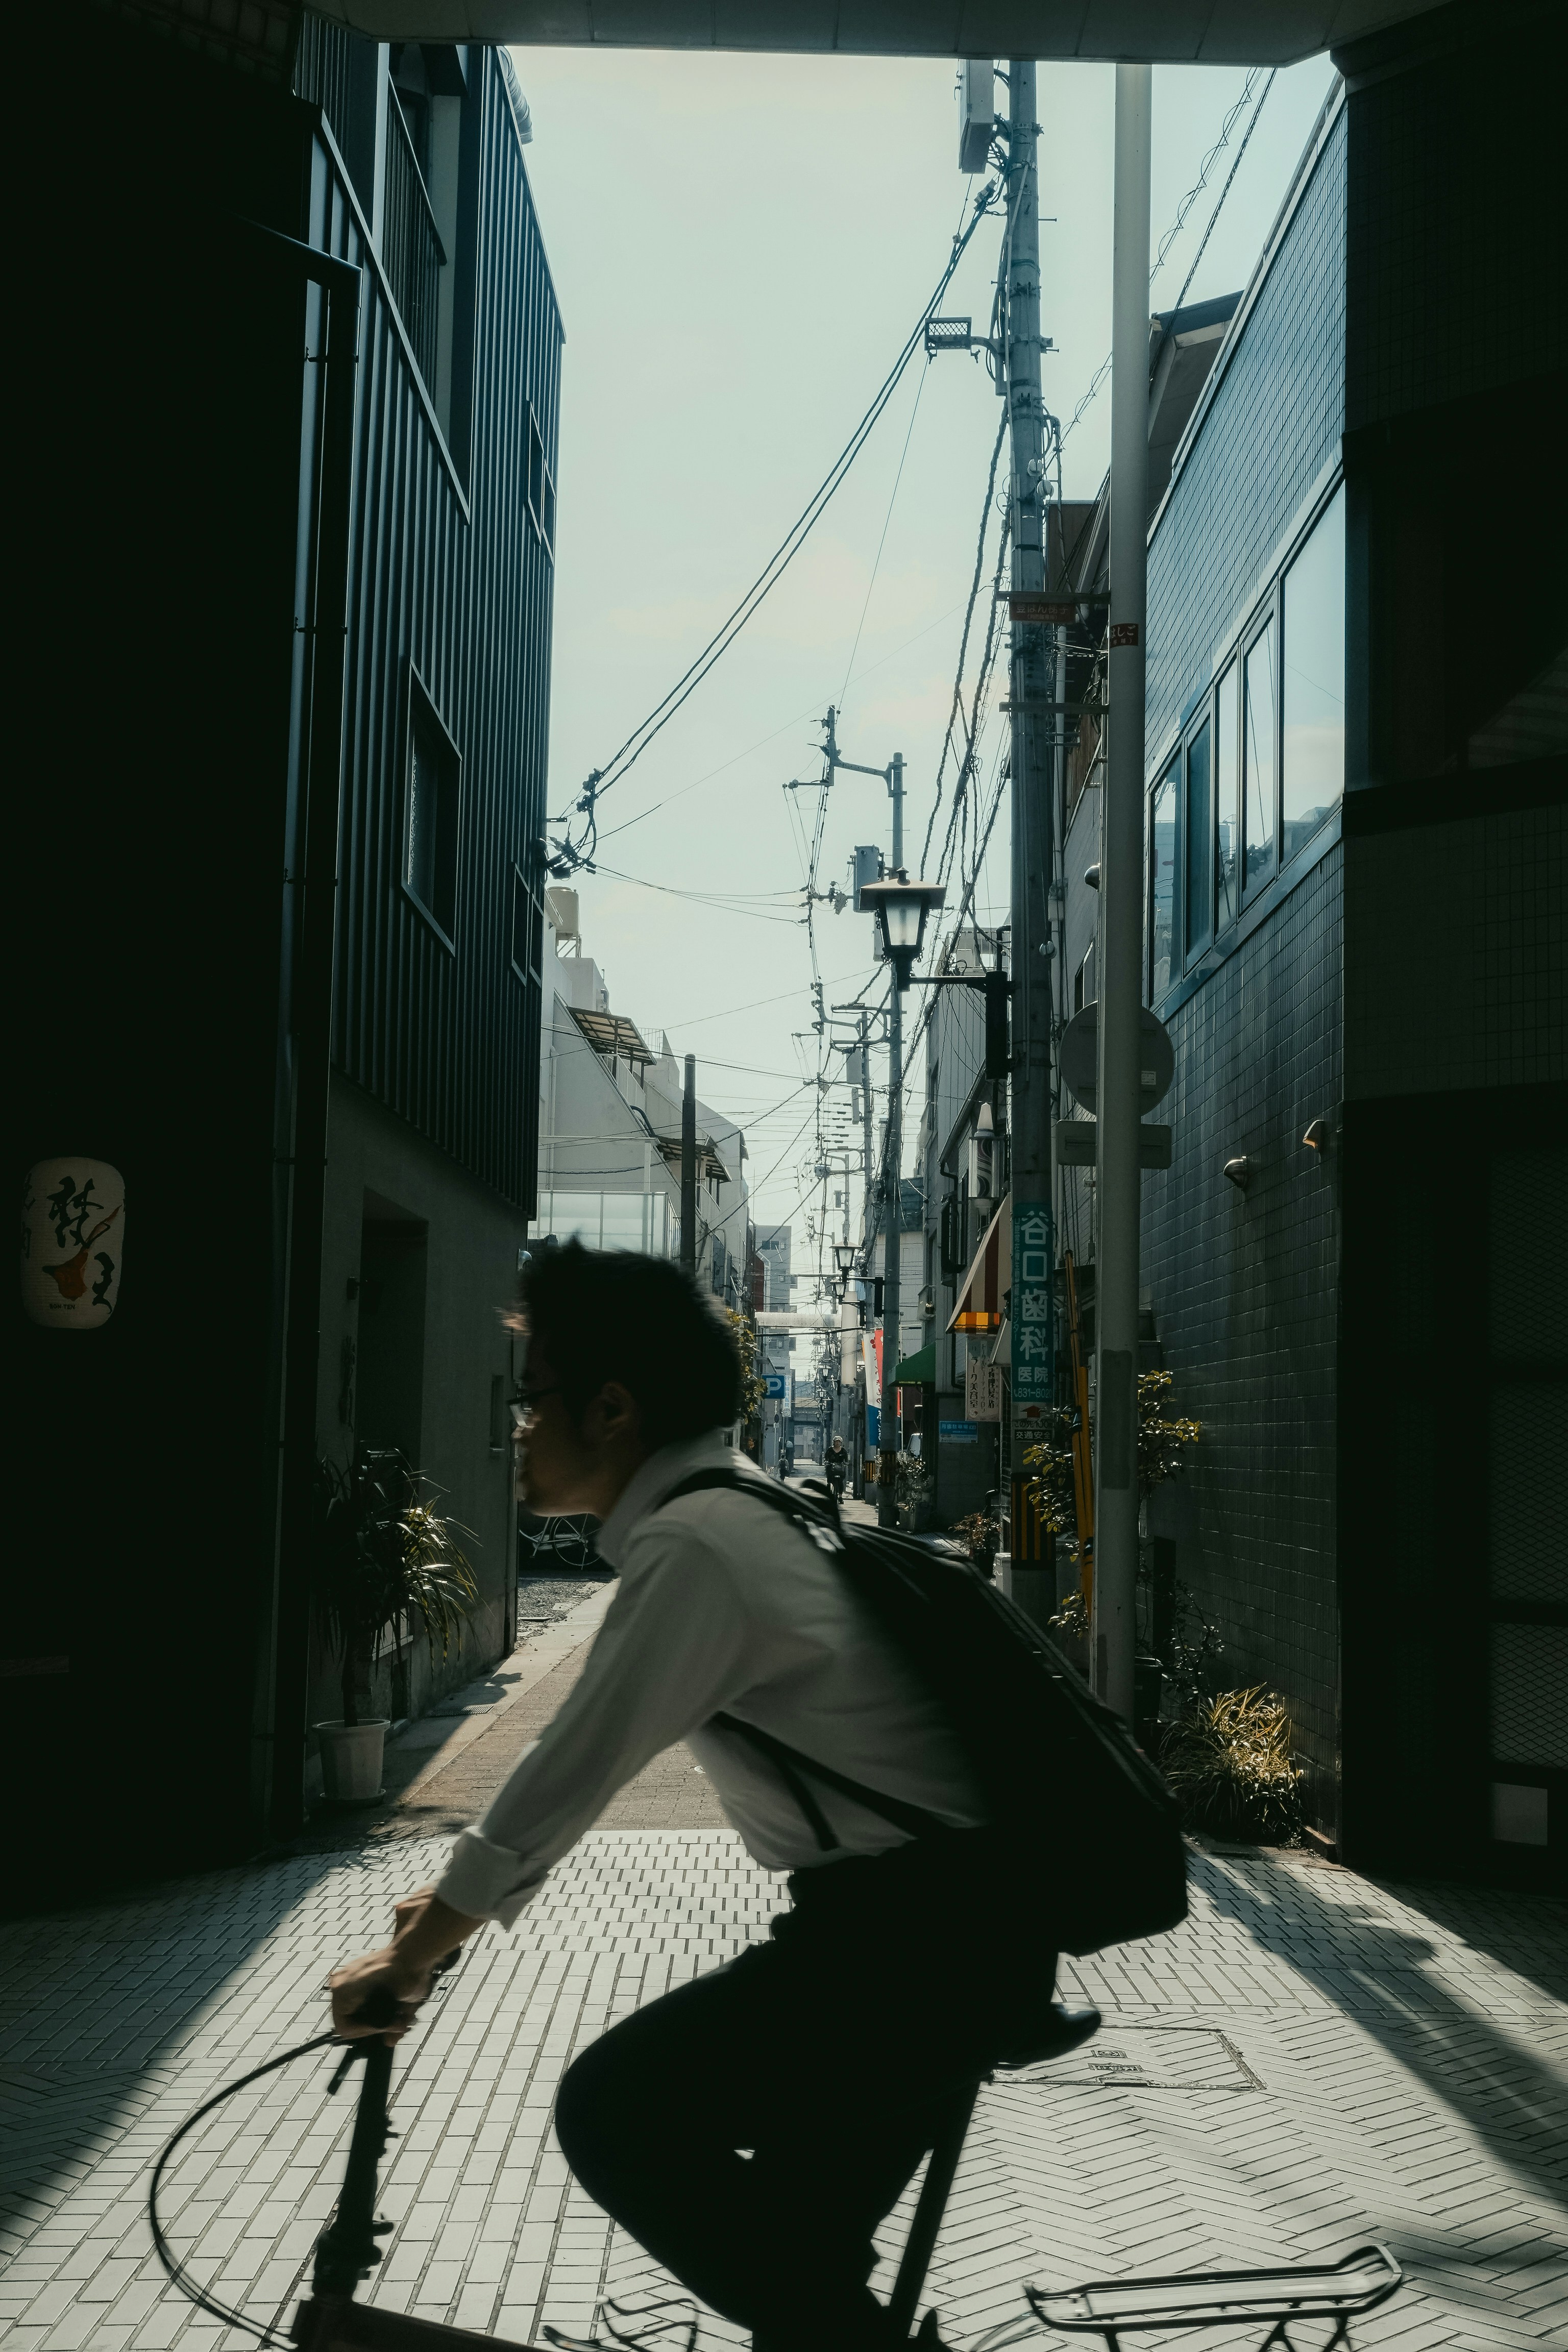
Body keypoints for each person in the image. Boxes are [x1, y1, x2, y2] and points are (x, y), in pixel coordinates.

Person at [329, 1245, 1062, 2352]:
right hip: (941, 1941)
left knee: (616, 2112)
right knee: (801, 2277)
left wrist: (417, 1949)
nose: (519, 1430)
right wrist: (440, 1918)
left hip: (911, 1950)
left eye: (532, 1401)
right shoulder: (742, 1509)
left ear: (611, 1409)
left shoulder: (699, 1542)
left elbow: (567, 1769)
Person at [826, 1430, 848, 1499]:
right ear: (834, 1442)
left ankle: (841, 1497)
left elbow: (846, 1459)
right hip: (831, 1466)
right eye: (836, 1441)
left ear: (841, 1443)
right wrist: (826, 1462)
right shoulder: (830, 1449)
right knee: (829, 1478)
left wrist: (846, 1463)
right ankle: (828, 1487)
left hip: (840, 1468)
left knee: (841, 1482)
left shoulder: (843, 1450)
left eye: (839, 1442)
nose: (838, 1443)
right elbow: (826, 1457)